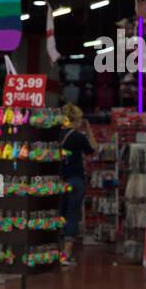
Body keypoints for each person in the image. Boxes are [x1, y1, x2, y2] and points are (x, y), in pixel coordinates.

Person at [59, 103, 95, 263]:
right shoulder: (78, 136)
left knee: (59, 214)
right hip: (75, 179)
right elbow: (93, 149)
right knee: (72, 214)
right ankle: (66, 254)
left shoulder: (56, 134)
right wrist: (88, 130)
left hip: (58, 180)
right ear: (76, 119)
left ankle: (55, 252)